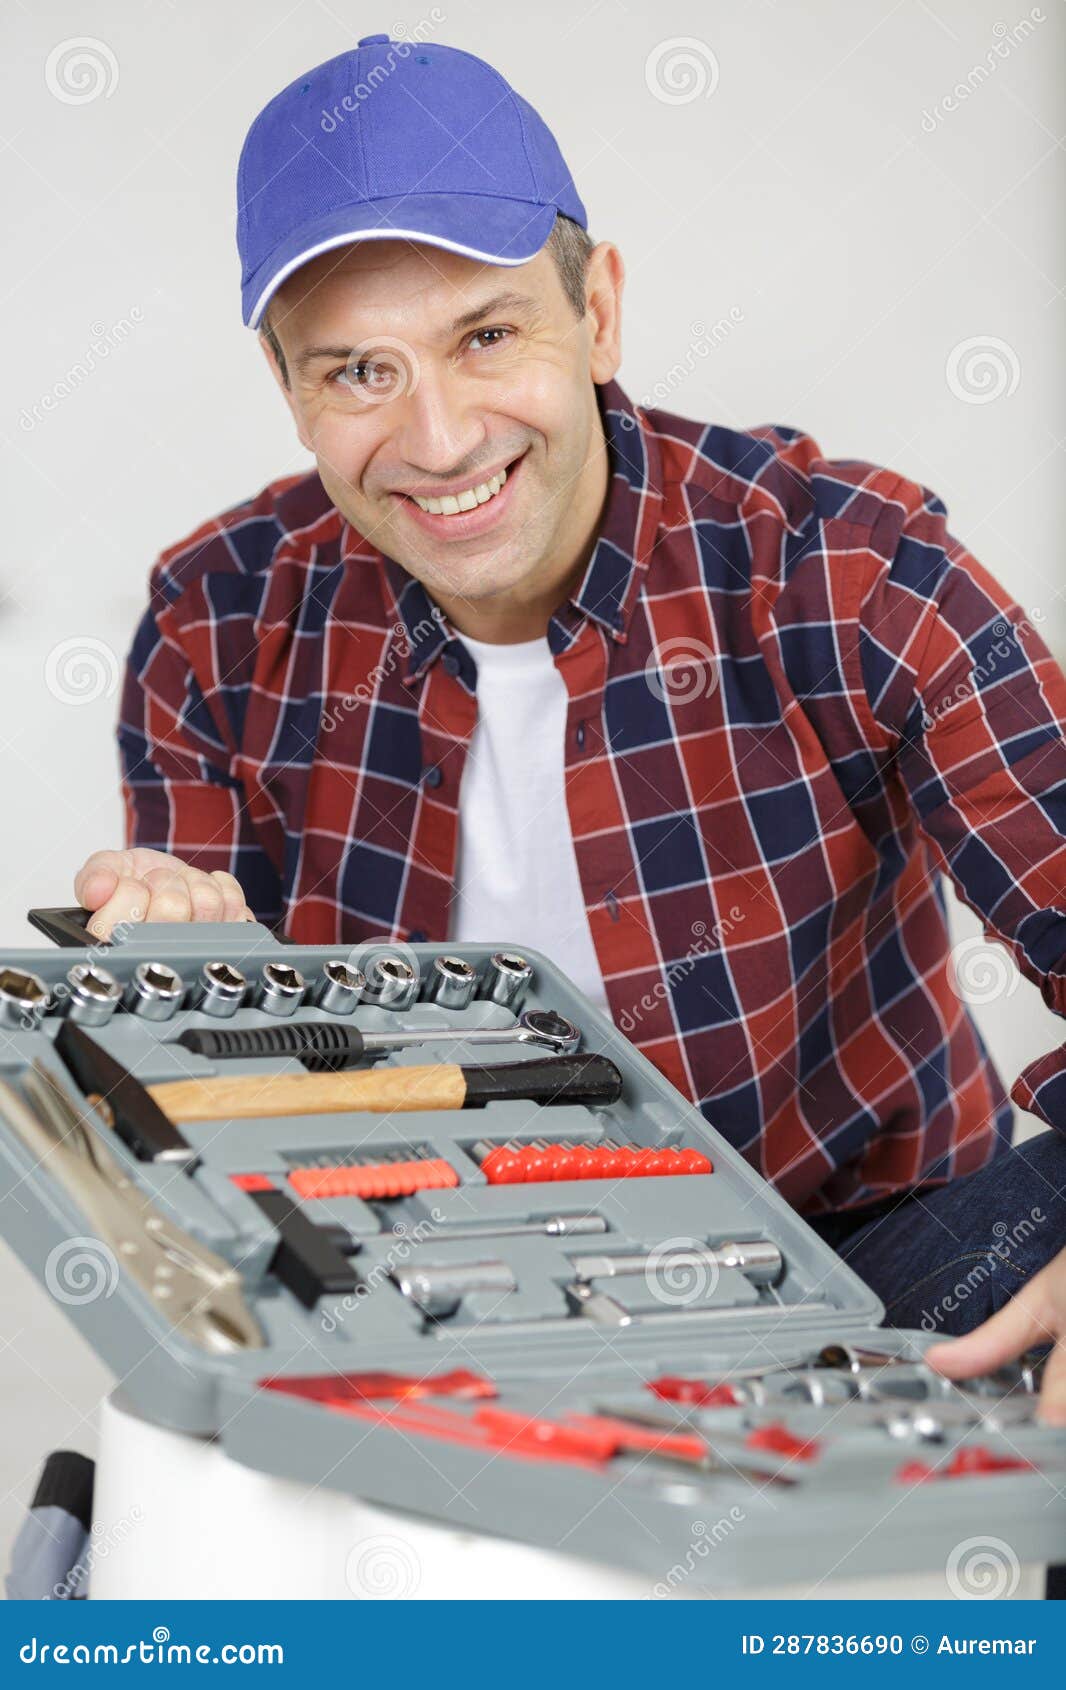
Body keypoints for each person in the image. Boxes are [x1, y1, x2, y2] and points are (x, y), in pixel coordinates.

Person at [74, 38, 1066, 1419]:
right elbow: (207, 1135)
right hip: (437, 1297)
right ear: (285, 384)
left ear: (595, 312)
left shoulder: (845, 573)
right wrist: (171, 977)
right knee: (152, 1464)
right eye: (358, 370)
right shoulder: (214, 624)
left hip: (861, 1273)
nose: (436, 437)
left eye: (485, 337)